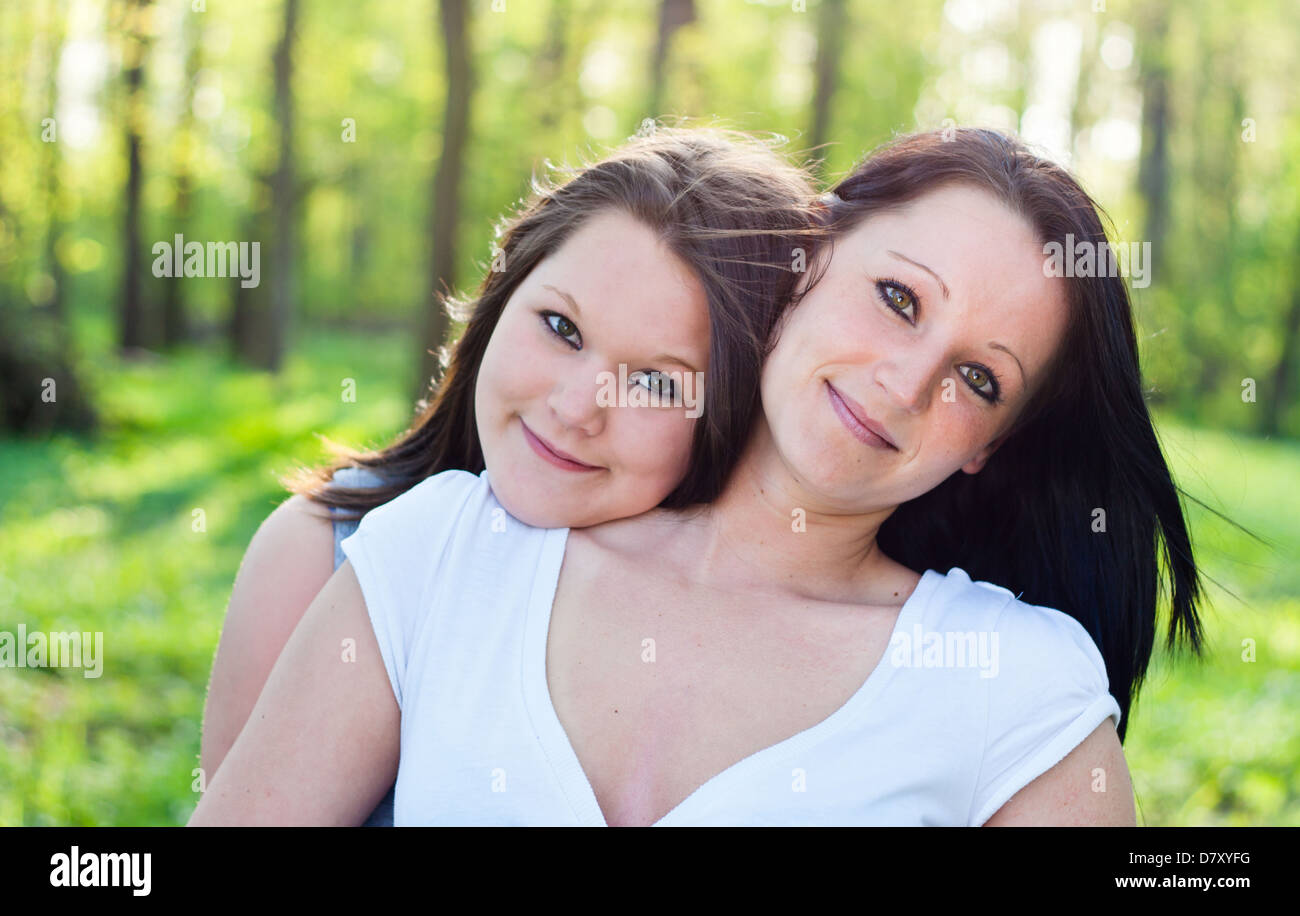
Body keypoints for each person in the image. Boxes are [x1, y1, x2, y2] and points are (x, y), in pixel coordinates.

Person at [191, 127, 1205, 826]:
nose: (905, 380)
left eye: (978, 378)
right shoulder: (447, 545)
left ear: (988, 442)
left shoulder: (1019, 686)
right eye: (897, 297)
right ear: (809, 262)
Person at [197, 125, 821, 824]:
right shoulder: (321, 548)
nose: (575, 407)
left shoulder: (753, 633)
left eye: (654, 383)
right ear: (500, 300)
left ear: (733, 420)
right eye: (561, 327)